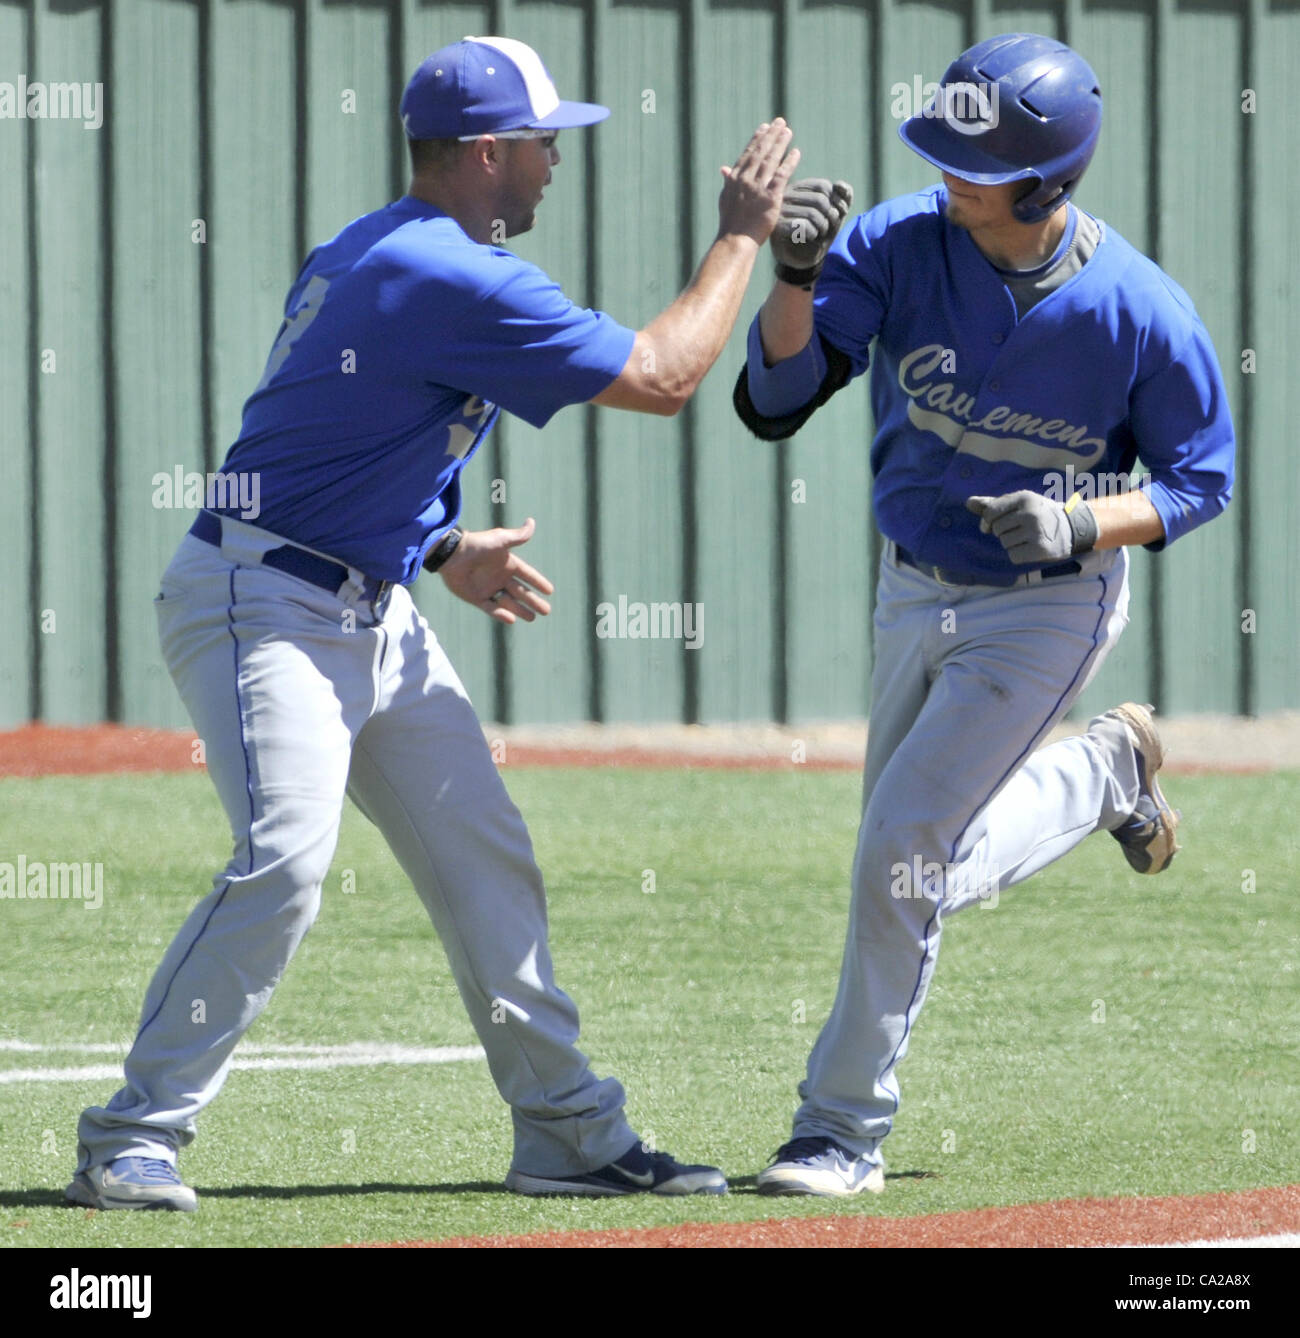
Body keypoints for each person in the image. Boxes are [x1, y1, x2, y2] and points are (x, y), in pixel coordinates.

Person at [67, 35, 799, 1211]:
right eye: (546, 142)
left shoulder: (384, 247)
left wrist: (440, 545)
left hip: (360, 595)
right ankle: (128, 1137)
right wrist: (742, 235)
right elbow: (665, 375)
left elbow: (334, 431)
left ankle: (564, 1130)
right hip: (265, 600)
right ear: (488, 151)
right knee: (288, 861)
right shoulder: (448, 270)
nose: (559, 162)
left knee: (484, 854)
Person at [734, 32, 1234, 1196]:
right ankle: (1106, 773)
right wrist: (794, 280)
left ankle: (839, 1133)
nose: (947, 172)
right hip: (910, 585)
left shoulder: (1141, 311)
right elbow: (774, 400)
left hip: (1046, 607)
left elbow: (1198, 481)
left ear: (1048, 180)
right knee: (910, 868)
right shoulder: (900, 246)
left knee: (899, 849)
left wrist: (1080, 524)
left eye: (978, 158)